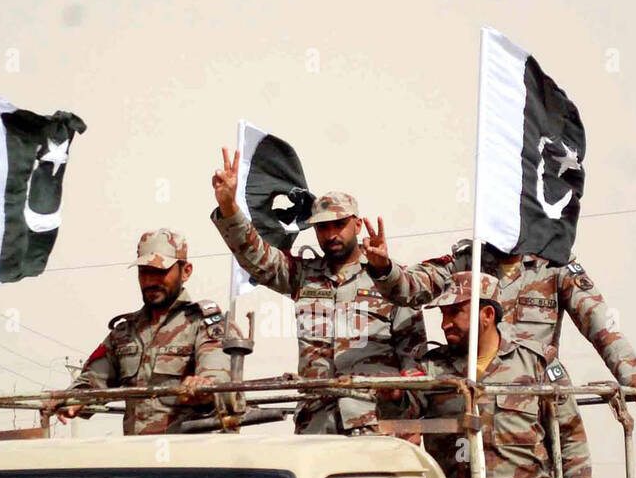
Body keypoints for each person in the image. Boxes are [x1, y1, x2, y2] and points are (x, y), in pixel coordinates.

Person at [209, 148, 426, 435]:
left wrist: (402, 401)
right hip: (317, 423)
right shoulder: (303, 276)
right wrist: (229, 208)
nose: (331, 233)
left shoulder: (390, 279)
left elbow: (415, 358)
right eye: (323, 227)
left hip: (376, 424)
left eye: (340, 224)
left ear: (358, 224)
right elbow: (256, 257)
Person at [361, 220, 636, 402]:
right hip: (472, 394)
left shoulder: (555, 266)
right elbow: (411, 289)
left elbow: (599, 322)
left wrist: (632, 373)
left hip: (531, 397)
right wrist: (383, 267)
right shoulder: (466, 261)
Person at [415, 272, 592, 478]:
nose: (445, 323)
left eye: (455, 312)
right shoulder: (431, 369)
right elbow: (401, 415)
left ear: (487, 315)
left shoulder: (536, 362)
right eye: (442, 314)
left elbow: (571, 441)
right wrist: (395, 395)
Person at [52, 228, 237, 434]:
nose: (150, 281)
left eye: (160, 272)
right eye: (144, 272)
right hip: (138, 457)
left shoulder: (205, 324)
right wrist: (74, 401)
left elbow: (216, 379)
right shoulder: (124, 333)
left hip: (191, 456)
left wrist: (203, 387)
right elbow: (92, 382)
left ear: (186, 272)